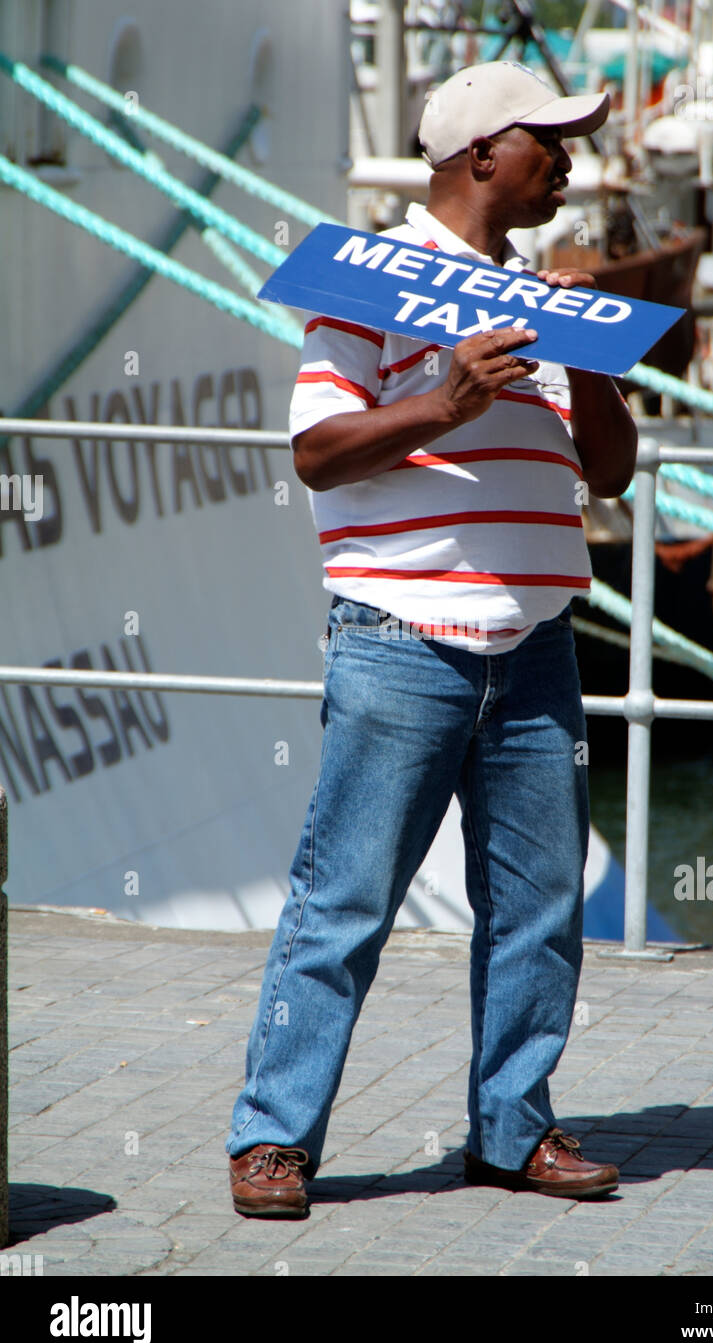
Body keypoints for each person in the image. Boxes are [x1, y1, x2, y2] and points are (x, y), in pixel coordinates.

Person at [226, 61, 638, 1218]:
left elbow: (607, 473)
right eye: (548, 140)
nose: (567, 161)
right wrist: (441, 405)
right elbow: (317, 451)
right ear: (480, 154)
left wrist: (588, 364)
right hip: (399, 638)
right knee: (344, 902)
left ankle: (510, 1128)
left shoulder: (546, 301)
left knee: (538, 907)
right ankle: (272, 1137)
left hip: (536, 643)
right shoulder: (368, 282)